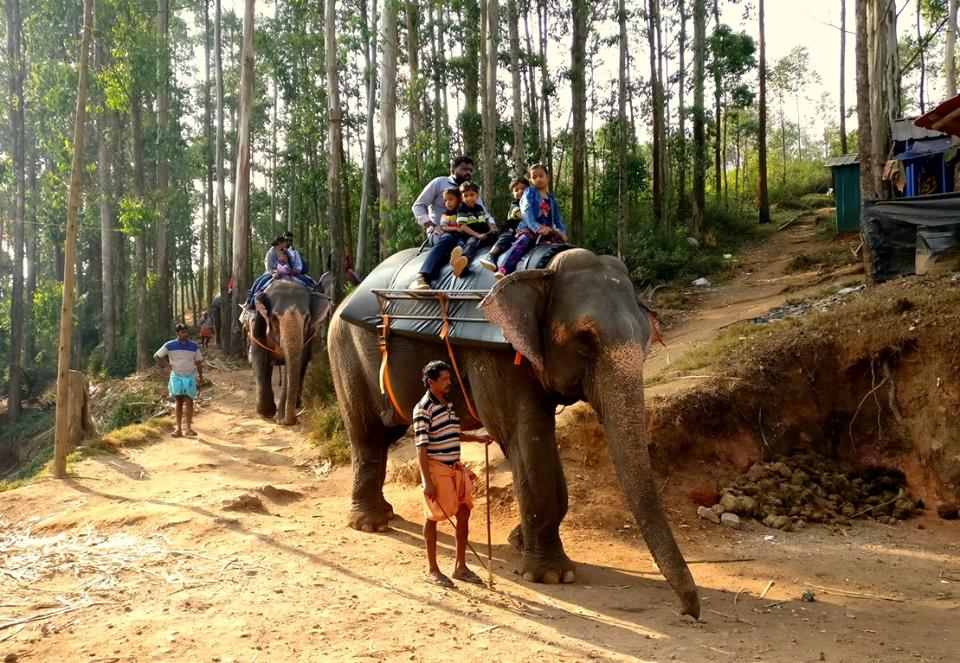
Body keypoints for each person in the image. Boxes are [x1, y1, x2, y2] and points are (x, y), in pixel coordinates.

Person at [414, 360, 492, 587]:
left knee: (464, 512)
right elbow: (421, 448)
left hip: (455, 467)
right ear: (431, 382)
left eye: (449, 378)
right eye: (445, 379)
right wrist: (427, 482)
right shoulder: (422, 409)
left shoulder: (447, 403)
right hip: (436, 469)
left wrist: (478, 438)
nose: (450, 383)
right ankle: (433, 569)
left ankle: (460, 566)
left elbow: (453, 433)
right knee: (433, 516)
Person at [496, 163, 567, 279]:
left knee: (562, 247)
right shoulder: (529, 193)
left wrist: (562, 232)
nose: (538, 179)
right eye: (534, 177)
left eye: (541, 176)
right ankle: (504, 268)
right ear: (530, 180)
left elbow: (557, 218)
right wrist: (537, 228)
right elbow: (526, 212)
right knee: (524, 241)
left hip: (548, 231)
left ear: (547, 177)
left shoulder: (552, 199)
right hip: (530, 228)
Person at [409, 187, 472, 290]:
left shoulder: (466, 211)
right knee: (447, 238)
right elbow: (442, 227)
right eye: (445, 201)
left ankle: (456, 259)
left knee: (461, 243)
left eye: (450, 200)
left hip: (458, 238)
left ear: (459, 199)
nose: (447, 203)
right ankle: (421, 276)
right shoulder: (446, 215)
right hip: (441, 234)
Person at [154, 323, 204, 438]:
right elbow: (157, 356)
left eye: (186, 332)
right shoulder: (170, 345)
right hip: (176, 376)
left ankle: (189, 429)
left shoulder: (194, 346)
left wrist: (201, 377)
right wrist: (167, 366)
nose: (185, 334)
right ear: (177, 334)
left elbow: (198, 362)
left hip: (190, 376)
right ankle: (179, 429)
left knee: (189, 402)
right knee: (179, 402)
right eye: (183, 332)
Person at [480, 176, 529, 272]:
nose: (520, 191)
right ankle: (491, 254)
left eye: (523, 189)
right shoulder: (515, 205)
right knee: (507, 237)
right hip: (511, 228)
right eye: (516, 190)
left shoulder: (531, 204)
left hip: (524, 230)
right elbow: (523, 216)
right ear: (513, 194)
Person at [450, 182, 495, 277]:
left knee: (498, 238)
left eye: (472, 195)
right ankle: (463, 262)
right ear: (462, 198)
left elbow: (487, 219)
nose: (469, 198)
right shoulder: (462, 209)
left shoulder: (479, 208)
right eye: (466, 196)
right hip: (472, 235)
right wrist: (477, 235)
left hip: (484, 233)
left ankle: (494, 257)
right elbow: (462, 226)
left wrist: (492, 227)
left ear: (477, 195)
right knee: (471, 243)